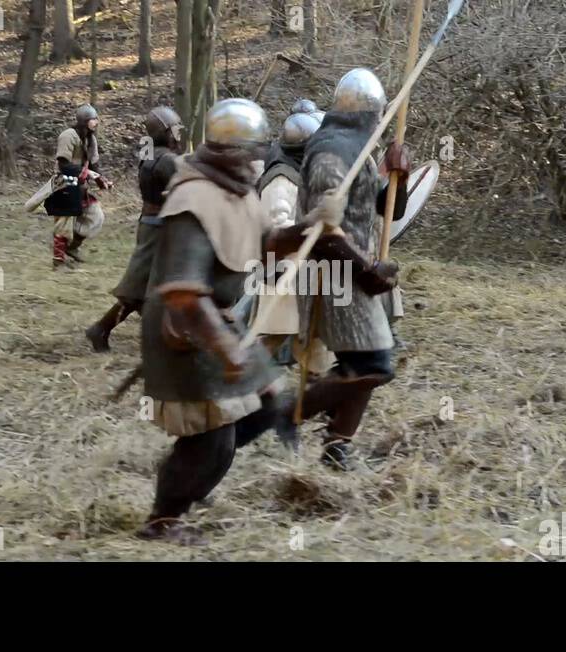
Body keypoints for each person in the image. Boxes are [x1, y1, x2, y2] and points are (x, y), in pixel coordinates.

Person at [136, 98, 316, 543]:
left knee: (266, 407)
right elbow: (182, 289)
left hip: (217, 320)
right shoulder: (193, 197)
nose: (260, 160)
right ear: (234, 152)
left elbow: (267, 244)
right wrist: (226, 348)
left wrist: (311, 227)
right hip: (185, 327)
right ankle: (164, 518)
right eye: (254, 152)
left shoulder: (235, 191)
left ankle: (190, 477)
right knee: (212, 437)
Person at [284, 67, 412, 471]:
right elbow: (323, 230)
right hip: (333, 275)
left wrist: (399, 177)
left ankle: (337, 447)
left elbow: (386, 210)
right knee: (375, 365)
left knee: (365, 363)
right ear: (369, 112)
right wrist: (368, 271)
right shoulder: (330, 151)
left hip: (354, 273)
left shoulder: (362, 148)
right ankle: (281, 415)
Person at [85, 106, 184, 352]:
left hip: (151, 224)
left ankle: (105, 329)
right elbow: (184, 190)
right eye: (176, 129)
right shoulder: (168, 161)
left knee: (142, 290)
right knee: (143, 290)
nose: (179, 133)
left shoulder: (149, 153)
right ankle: (102, 329)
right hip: (160, 229)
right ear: (167, 132)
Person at [250, 109, 334, 374]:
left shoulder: (299, 171)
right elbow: (279, 228)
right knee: (275, 334)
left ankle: (317, 383)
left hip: (304, 268)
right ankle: (238, 376)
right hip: (284, 269)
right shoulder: (281, 178)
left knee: (313, 331)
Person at [46, 104, 113, 268]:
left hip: (81, 186)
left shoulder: (91, 139)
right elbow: (63, 165)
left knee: (95, 215)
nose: (96, 122)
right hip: (64, 184)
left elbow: (94, 165)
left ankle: (72, 248)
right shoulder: (68, 136)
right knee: (64, 224)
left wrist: (102, 180)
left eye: (96, 119)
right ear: (84, 120)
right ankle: (58, 262)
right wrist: (87, 173)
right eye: (93, 119)